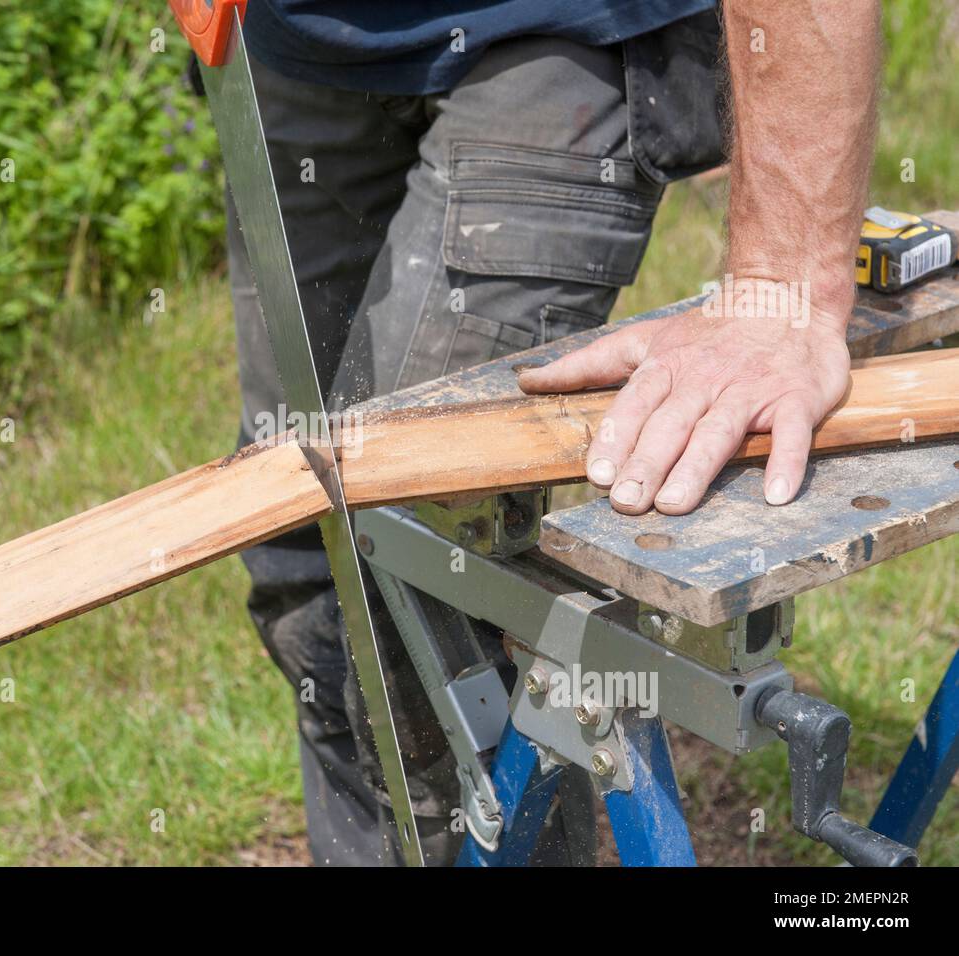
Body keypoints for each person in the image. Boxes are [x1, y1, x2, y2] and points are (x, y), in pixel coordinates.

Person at [220, 0, 880, 865]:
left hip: (555, 30)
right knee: (301, 555)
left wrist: (779, 288)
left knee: (417, 586)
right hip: (299, 42)